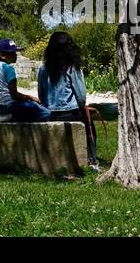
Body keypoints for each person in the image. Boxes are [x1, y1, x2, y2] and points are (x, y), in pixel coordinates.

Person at [38, 30, 99, 167]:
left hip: (49, 113)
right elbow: (81, 95)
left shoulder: (43, 68)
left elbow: (41, 95)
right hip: (70, 112)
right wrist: (83, 107)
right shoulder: (72, 67)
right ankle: (92, 160)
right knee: (91, 128)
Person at [0, 39, 51, 122]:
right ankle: (11, 116)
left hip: (2, 106)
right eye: (12, 53)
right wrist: (31, 98)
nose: (16, 55)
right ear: (2, 55)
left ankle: (1, 114)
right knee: (47, 113)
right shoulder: (9, 68)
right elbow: (14, 95)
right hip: (12, 106)